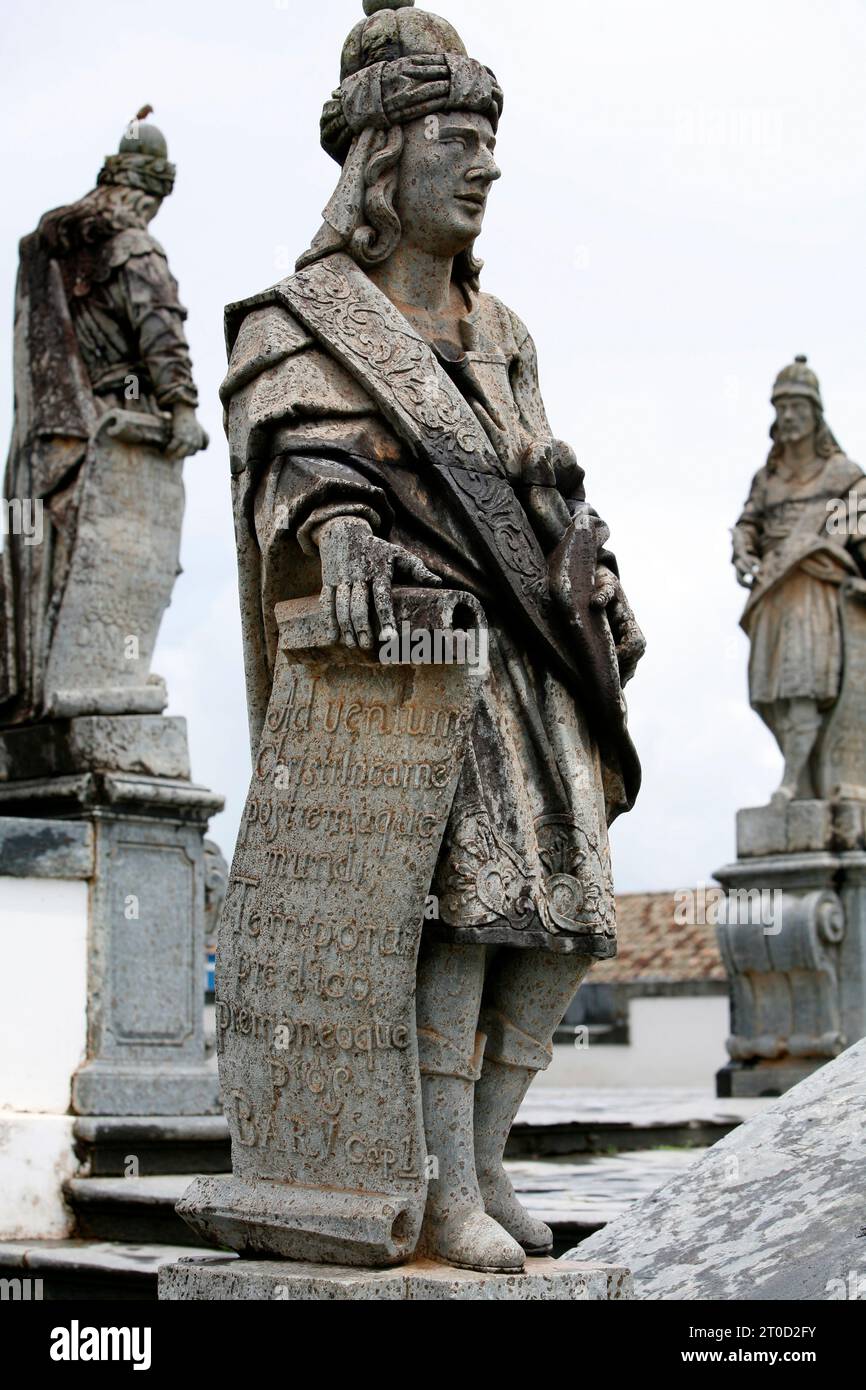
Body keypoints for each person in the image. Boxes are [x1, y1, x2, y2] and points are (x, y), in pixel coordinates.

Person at [223, 0, 644, 1272]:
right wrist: (338, 532)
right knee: (460, 909)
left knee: (564, 919)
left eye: (488, 140)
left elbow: (545, 483)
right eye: (456, 136)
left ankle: (487, 1149)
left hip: (534, 650)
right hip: (414, 657)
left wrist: (595, 565)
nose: (483, 164)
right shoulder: (298, 317)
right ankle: (435, 1184)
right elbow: (287, 459)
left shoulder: (501, 328)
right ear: (381, 156)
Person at [0, 111, 207, 723]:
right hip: (118, 431)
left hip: (41, 439)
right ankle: (94, 683)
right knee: (126, 562)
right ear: (150, 192)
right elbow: (159, 328)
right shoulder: (132, 244)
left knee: (35, 551)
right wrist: (182, 409)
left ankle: (34, 692)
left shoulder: (43, 251)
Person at [733, 356, 866, 802]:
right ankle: (806, 780)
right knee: (770, 697)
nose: (788, 416)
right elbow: (748, 525)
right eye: (781, 407)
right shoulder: (766, 479)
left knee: (803, 686)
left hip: (815, 590)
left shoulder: (843, 476)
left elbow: (861, 534)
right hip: (771, 594)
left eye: (797, 407)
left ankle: (791, 785)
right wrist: (742, 550)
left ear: (816, 414)